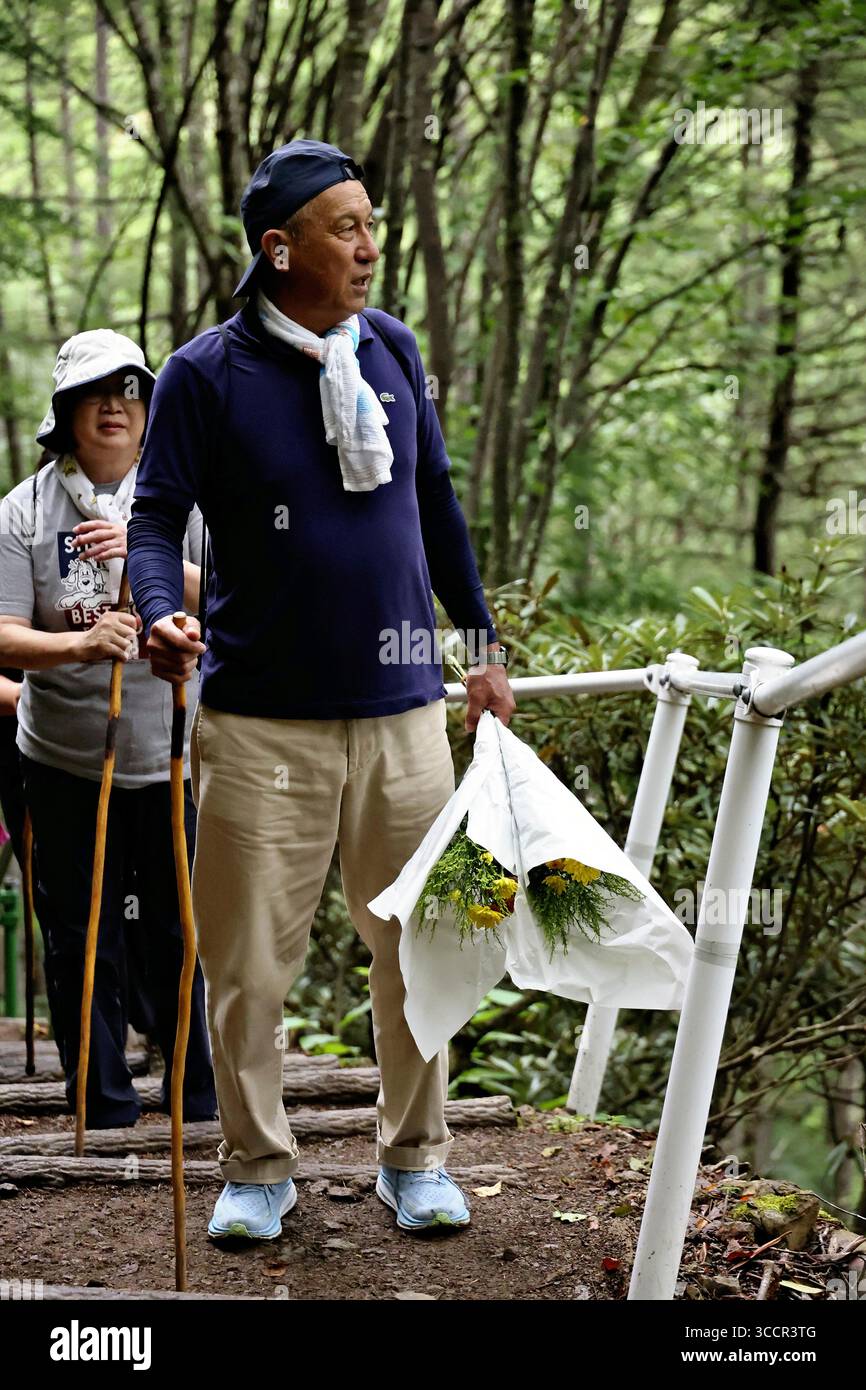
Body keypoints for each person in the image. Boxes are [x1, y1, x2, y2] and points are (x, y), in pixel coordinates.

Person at [127, 138, 515, 1240]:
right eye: (347, 227)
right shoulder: (205, 373)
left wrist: (482, 643)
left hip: (405, 716)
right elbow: (155, 519)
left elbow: (435, 503)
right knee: (249, 965)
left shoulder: (391, 348)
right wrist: (158, 611)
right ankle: (255, 1166)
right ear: (279, 247)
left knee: (421, 948)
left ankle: (415, 1156)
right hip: (259, 724)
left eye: (372, 223)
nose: (369, 245)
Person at [0, 331, 217, 1127]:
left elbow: (237, 603)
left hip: (171, 755)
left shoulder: (187, 499)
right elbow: (3, 633)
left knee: (178, 927)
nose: (114, 407)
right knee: (80, 930)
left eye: (129, 391)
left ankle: (195, 1094)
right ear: (65, 412)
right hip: (63, 757)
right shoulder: (23, 512)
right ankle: (100, 1100)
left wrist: (146, 551)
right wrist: (83, 644)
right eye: (95, 393)